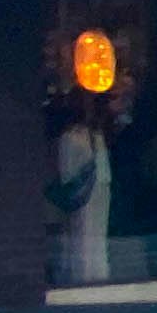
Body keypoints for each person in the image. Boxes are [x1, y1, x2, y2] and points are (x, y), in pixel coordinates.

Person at [44, 96, 112, 287]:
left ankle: (84, 276)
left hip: (83, 194)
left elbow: (67, 173)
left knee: (80, 235)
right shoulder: (95, 136)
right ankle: (95, 275)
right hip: (99, 190)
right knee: (93, 237)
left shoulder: (71, 137)